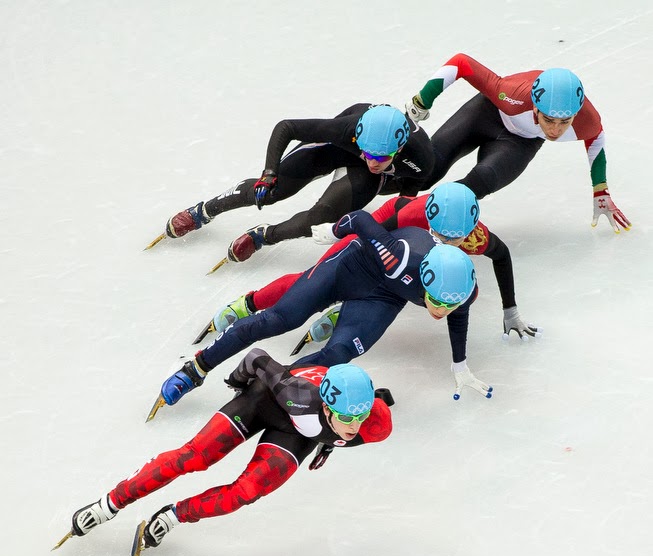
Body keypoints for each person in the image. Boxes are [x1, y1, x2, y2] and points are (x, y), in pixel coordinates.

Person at [154, 183, 490, 414]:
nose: (440, 311)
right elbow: (360, 219)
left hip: (383, 298)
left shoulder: (461, 289)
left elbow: (459, 316)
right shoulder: (399, 257)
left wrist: (459, 364)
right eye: (437, 301)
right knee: (279, 320)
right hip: (350, 268)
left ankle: (268, 388)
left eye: (448, 305)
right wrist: (331, 231)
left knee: (338, 354)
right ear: (425, 280)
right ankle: (196, 367)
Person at [66, 354, 392, 551]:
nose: (354, 425)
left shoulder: (372, 423)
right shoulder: (298, 395)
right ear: (327, 405)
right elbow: (257, 358)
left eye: (360, 417)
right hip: (263, 402)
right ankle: (109, 503)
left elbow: (361, 415)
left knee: (246, 492)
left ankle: (174, 515)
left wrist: (330, 440)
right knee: (193, 457)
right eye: (348, 418)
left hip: (296, 433)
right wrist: (239, 384)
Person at [210, 186, 539, 347]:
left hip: (408, 250)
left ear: (468, 234)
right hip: (387, 228)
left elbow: (502, 254)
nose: (445, 242)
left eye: (454, 240)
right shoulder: (414, 214)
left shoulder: (476, 238)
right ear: (431, 221)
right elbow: (374, 235)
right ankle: (248, 303)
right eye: (439, 234)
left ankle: (347, 309)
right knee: (319, 273)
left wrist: (510, 310)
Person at [159, 103, 434, 262]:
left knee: (317, 221)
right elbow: (286, 127)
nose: (370, 159)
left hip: (367, 178)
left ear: (399, 150)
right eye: (366, 151)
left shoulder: (421, 157)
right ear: (358, 138)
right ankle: (204, 211)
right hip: (334, 148)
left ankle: (263, 235)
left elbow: (411, 189)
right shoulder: (348, 129)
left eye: (380, 156)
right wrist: (268, 174)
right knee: (270, 191)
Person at [404, 54, 631, 233]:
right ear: (535, 108)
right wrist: (423, 99)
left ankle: (415, 220)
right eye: (548, 119)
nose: (555, 130)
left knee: (476, 184)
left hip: (520, 143)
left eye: (565, 122)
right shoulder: (511, 94)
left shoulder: (587, 120)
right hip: (486, 113)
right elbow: (461, 63)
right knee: (426, 169)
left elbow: (596, 139)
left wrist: (600, 189)